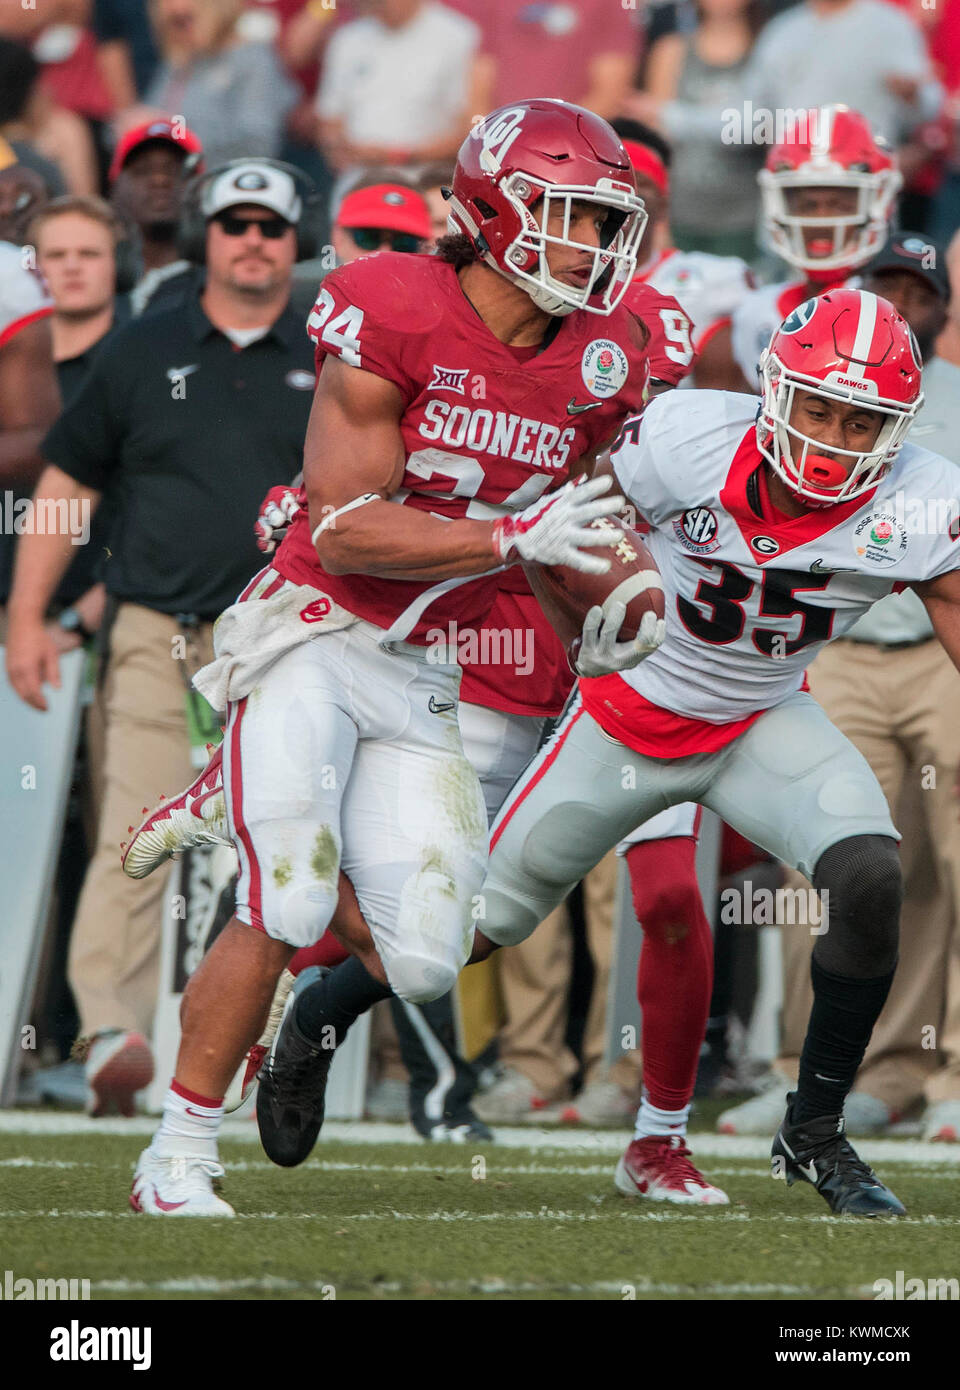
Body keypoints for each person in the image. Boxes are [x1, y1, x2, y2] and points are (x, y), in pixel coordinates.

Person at [118, 99, 658, 1216]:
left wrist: (610, 617)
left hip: (433, 670)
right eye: (571, 217)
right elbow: (345, 524)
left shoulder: (611, 356)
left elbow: (591, 531)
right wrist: (514, 536)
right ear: (502, 211)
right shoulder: (388, 301)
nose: (596, 247)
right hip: (319, 632)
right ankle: (176, 1153)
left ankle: (239, 794)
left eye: (608, 223)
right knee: (292, 894)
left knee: (423, 954)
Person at [469, 286, 960, 1218]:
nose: (831, 436)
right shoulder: (688, 437)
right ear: (774, 391)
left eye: (861, 421)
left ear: (897, 427)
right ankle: (320, 1014)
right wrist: (585, 630)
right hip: (632, 714)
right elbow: (560, 535)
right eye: (816, 408)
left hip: (760, 723)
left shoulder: (923, 498)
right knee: (472, 933)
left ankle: (813, 1133)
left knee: (868, 879)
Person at [5, 158, 319, 1119]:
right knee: (134, 831)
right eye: (235, 226)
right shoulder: (141, 349)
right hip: (157, 631)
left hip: (290, 640)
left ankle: (254, 1040)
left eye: (271, 226)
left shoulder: (331, 354)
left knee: (280, 843)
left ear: (294, 242)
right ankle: (112, 1033)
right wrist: (27, 613)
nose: (253, 242)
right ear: (202, 239)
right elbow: (68, 487)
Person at [720, 233, 960, 1144]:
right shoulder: (813, 385)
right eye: (885, 285)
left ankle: (931, 1076)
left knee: (947, 870)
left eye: (917, 288)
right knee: (816, 868)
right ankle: (799, 1072)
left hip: (938, 652)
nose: (903, 300)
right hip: (842, 651)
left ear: (941, 302)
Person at [730, 105, 901, 390]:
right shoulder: (755, 310)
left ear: (880, 201)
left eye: (840, 204)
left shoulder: (895, 303)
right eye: (808, 205)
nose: (822, 221)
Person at [626, 0, 766, 261]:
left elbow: (757, 127)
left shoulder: (768, 49)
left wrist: (675, 116)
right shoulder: (673, 50)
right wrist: (659, 222)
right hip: (682, 217)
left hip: (748, 221)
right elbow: (655, 144)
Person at [314, 0, 482, 173]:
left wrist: (399, 155)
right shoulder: (347, 39)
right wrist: (337, 148)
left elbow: (471, 128)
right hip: (357, 179)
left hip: (426, 181)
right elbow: (329, 119)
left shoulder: (458, 36)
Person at [141, 0, 297, 167]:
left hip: (230, 183)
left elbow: (258, 145)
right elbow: (150, 117)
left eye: (187, 19)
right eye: (176, 23)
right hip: (181, 184)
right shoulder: (179, 62)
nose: (183, 30)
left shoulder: (254, 59)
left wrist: (172, 130)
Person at [108, 117, 204, 315]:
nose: (159, 180)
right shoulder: (92, 279)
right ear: (116, 189)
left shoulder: (219, 284)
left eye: (175, 171)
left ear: (201, 188)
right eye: (142, 171)